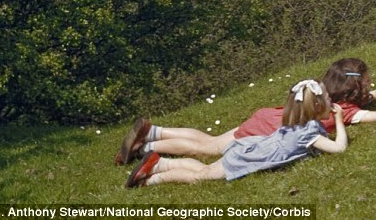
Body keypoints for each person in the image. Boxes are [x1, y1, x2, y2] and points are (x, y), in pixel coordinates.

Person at [114, 58, 376, 165]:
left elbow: (362, 101)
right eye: (367, 82)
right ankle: (146, 148)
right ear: (354, 90)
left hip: (268, 117)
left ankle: (154, 131)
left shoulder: (323, 94)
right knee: (208, 148)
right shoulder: (342, 111)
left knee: (210, 138)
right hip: (265, 131)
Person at [124, 80, 345, 187]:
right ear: (316, 107)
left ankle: (159, 160)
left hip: (249, 147)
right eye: (327, 98)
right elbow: (339, 148)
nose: (331, 101)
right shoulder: (309, 132)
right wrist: (338, 121)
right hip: (249, 156)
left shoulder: (296, 123)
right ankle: (153, 177)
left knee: (207, 165)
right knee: (201, 174)